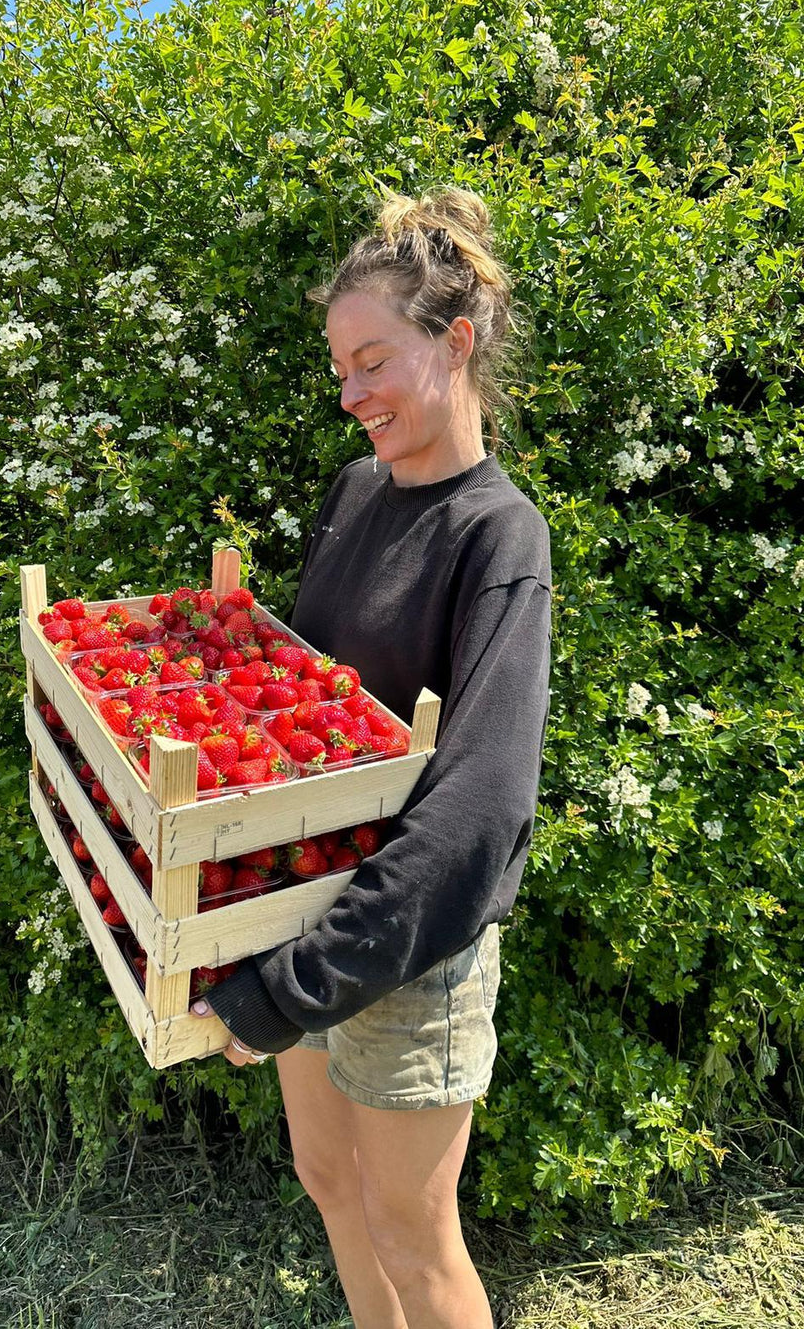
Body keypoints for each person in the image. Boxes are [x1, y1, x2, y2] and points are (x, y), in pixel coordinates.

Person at [190, 185, 552, 1329]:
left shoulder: (499, 535)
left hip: (407, 941)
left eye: (371, 363)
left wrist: (286, 993)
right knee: (330, 1181)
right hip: (310, 902)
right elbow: (314, 699)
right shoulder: (355, 494)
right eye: (338, 370)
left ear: (454, 343)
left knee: (413, 1233)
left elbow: (477, 810)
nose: (349, 397)